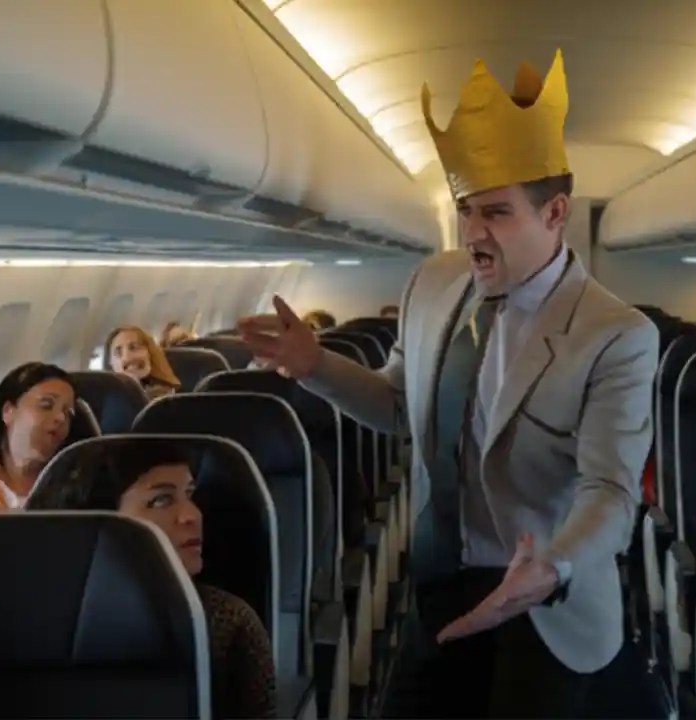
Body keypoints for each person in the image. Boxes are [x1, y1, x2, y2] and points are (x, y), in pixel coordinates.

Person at [236, 48, 657, 718]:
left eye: (496, 213)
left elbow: (610, 491)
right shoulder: (436, 283)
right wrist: (315, 365)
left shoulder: (615, 333)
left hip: (545, 601)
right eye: (465, 211)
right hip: (436, 582)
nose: (473, 234)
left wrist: (554, 568)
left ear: (556, 215)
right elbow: (400, 406)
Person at [26, 442, 275, 719]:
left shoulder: (226, 622)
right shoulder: (21, 623)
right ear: (96, 520)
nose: (193, 515)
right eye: (161, 500)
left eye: (190, 495)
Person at [0, 362, 77, 510]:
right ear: (8, 411)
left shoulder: (72, 487)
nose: (60, 417)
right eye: (46, 405)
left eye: (68, 413)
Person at [105, 326, 181, 400]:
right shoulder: (103, 399)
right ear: (111, 363)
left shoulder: (169, 398)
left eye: (134, 347)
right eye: (118, 353)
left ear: (150, 353)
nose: (127, 358)